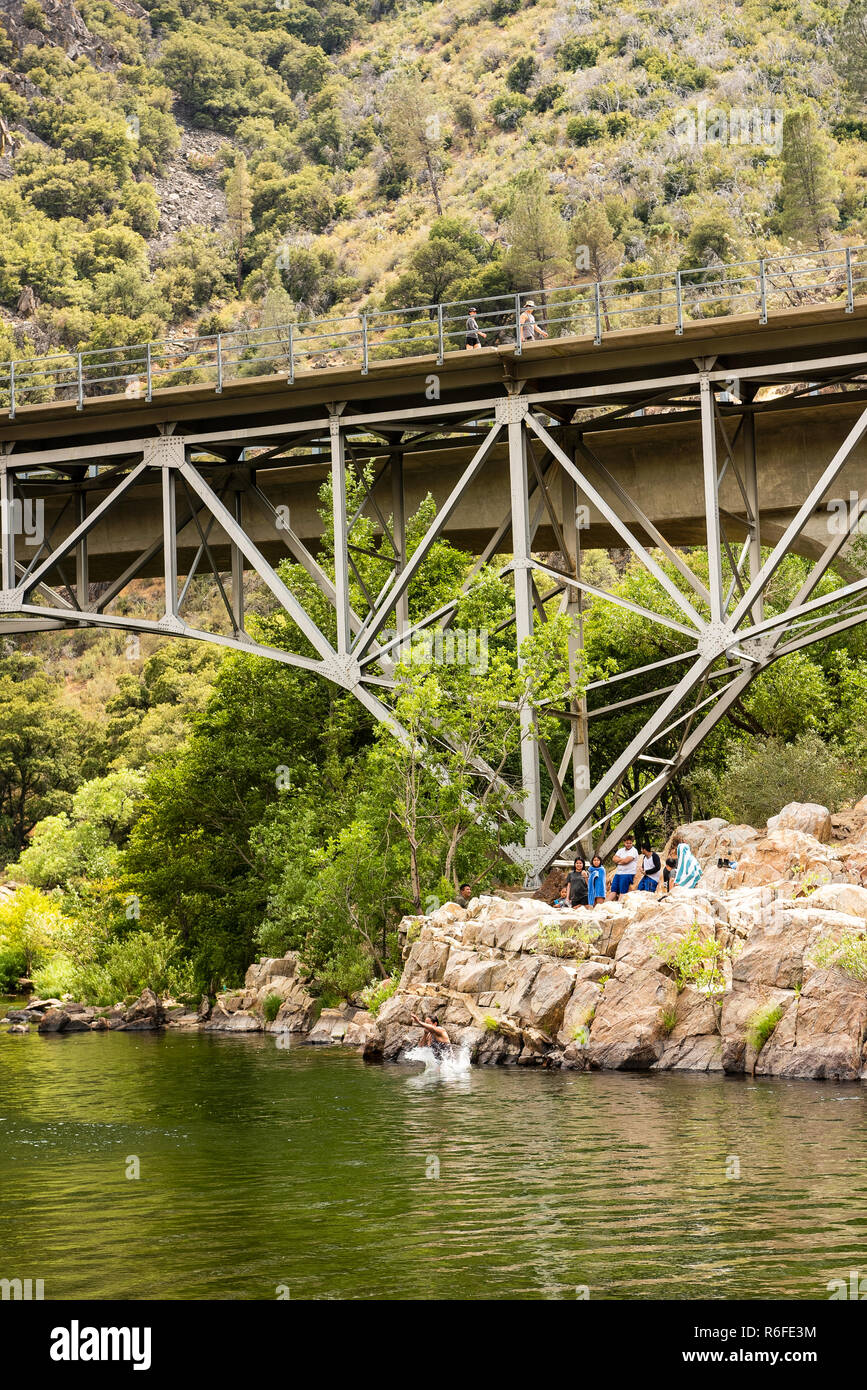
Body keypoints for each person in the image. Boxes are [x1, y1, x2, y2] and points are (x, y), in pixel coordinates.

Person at [609, 834, 639, 900]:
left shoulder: (634, 851)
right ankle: (603, 906)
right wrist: (622, 860)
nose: (628, 844)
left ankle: (619, 906)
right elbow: (614, 859)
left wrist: (619, 861)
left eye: (630, 843)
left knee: (622, 892)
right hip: (618, 873)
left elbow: (626, 861)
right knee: (613, 891)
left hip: (627, 873)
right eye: (627, 843)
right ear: (624, 842)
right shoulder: (621, 850)